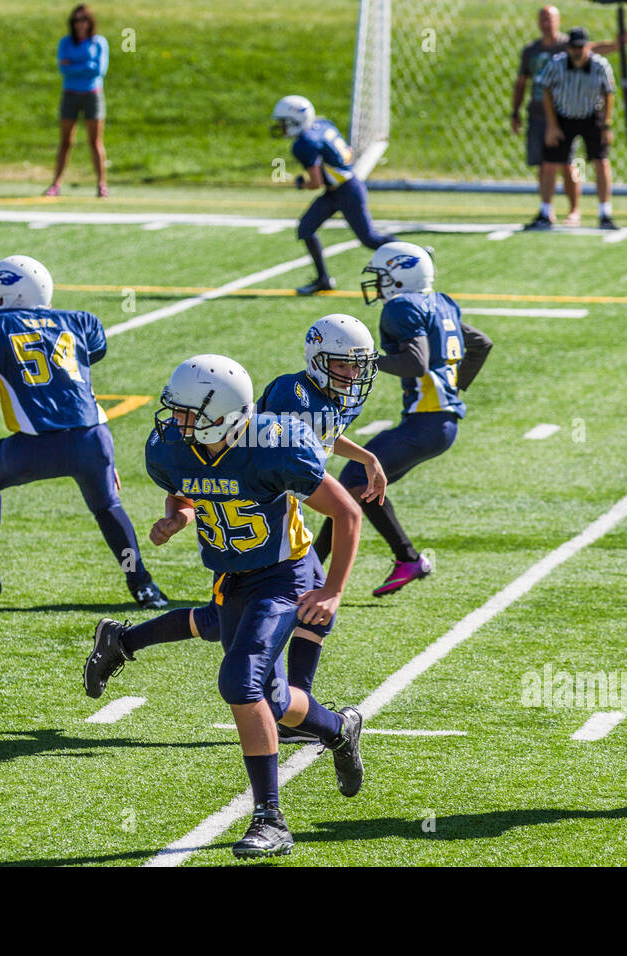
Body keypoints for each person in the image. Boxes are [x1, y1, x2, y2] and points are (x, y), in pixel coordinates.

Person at [84, 315, 387, 745]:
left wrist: (364, 455)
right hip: (257, 511)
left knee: (269, 615)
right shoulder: (292, 398)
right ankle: (293, 713)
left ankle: (126, 642)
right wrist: (183, 511)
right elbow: (255, 456)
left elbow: (318, 437)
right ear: (319, 360)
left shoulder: (314, 400)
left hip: (265, 510)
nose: (354, 374)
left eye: (359, 365)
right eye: (345, 364)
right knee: (288, 610)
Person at [127, 354, 366, 858]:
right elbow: (184, 489)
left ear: (223, 414)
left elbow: (346, 512)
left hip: (283, 576)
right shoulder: (173, 448)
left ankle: (270, 819)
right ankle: (340, 729)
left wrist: (333, 590)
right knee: (273, 699)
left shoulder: (273, 445)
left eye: (187, 412)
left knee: (240, 682)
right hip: (231, 579)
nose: (175, 421)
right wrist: (179, 515)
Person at [0, 255, 167, 610]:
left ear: (9, 290)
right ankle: (143, 585)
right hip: (93, 438)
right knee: (108, 506)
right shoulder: (78, 322)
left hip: (37, 444)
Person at [312, 243, 490, 597]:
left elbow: (415, 363)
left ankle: (316, 572)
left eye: (382, 277)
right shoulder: (442, 302)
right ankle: (392, 559)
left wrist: (367, 361)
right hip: (438, 422)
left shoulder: (401, 306)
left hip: (426, 423)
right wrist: (454, 387)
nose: (377, 284)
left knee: (354, 481)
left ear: (399, 276)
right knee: (360, 487)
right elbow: (480, 343)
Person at [271, 95, 399, 295]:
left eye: (283, 123)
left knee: (370, 239)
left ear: (295, 121)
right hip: (338, 190)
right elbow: (347, 152)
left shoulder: (304, 143)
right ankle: (323, 280)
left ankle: (416, 253)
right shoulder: (322, 125)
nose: (282, 127)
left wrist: (300, 184)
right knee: (306, 228)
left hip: (347, 191)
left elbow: (316, 183)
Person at [512, 6, 621, 226]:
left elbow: (609, 94)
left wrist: (606, 124)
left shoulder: (600, 65)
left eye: (581, 47)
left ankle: (604, 213)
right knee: (550, 163)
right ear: (568, 48)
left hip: (591, 116)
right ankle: (545, 212)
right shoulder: (557, 64)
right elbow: (546, 91)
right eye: (574, 47)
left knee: (601, 161)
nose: (577, 52)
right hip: (564, 115)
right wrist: (552, 125)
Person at [45, 4, 110, 198]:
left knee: (95, 142)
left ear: (90, 22)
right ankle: (56, 184)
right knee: (66, 141)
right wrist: (85, 65)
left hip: (92, 94)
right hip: (70, 93)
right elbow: (64, 69)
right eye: (76, 21)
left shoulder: (99, 42)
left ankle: (101, 184)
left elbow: (99, 70)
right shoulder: (65, 43)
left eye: (83, 20)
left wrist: (76, 65)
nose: (80, 24)